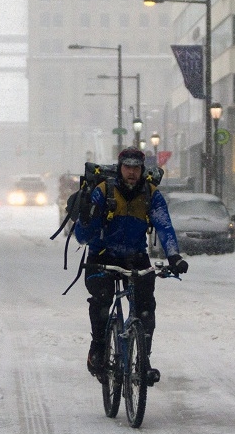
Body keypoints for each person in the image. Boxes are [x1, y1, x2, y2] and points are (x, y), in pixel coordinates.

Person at [73, 146, 189, 386]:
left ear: (142, 169)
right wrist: (86, 217)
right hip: (102, 255)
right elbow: (82, 237)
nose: (132, 172)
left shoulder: (151, 194)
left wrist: (174, 256)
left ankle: (143, 360)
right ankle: (98, 348)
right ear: (120, 168)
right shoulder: (103, 192)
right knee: (102, 300)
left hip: (135, 256)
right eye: (128, 167)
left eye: (136, 167)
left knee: (146, 306)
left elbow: (164, 227)